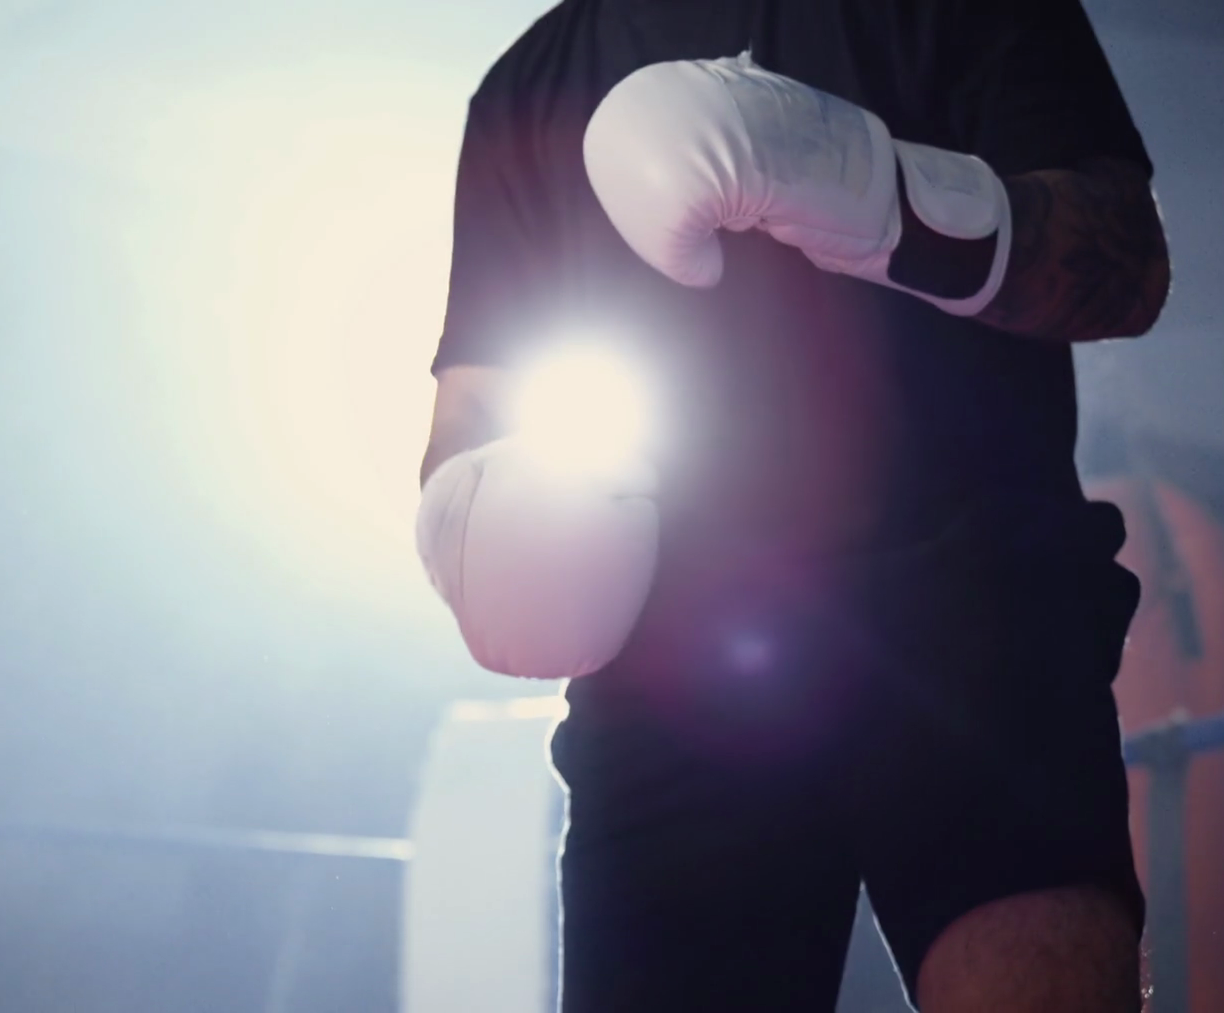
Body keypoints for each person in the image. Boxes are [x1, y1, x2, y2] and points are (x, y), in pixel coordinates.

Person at [415, 0, 1171, 1009]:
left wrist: (880, 197)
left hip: (976, 612)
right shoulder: (530, 82)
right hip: (669, 670)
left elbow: (1128, 265)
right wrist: (490, 528)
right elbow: (470, 409)